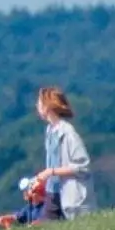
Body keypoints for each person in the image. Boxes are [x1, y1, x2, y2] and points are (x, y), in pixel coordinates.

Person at [31, 86, 93, 220]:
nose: (37, 106)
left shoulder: (69, 133)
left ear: (47, 107)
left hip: (69, 194)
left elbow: (83, 166)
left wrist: (51, 172)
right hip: (52, 192)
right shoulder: (50, 131)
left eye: (40, 103)